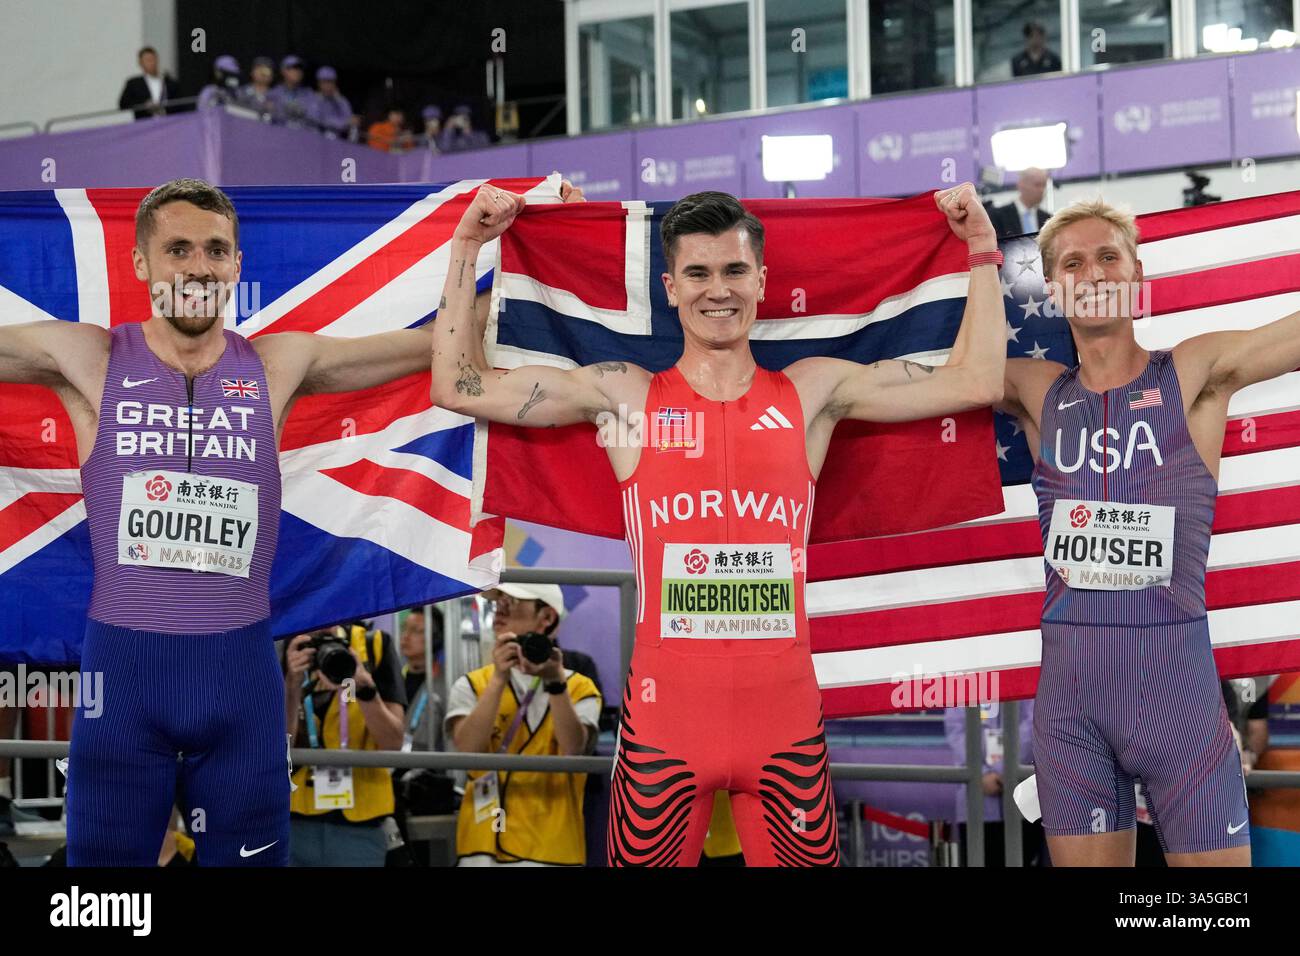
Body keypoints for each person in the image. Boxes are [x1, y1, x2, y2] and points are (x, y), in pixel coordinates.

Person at [431, 182, 1006, 866]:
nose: (718, 289)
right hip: (664, 727)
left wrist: (982, 251)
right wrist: (468, 245)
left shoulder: (814, 392)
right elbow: (457, 385)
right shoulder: (627, 397)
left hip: (784, 725)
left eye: (735, 270)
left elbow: (975, 382)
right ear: (671, 287)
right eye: (699, 273)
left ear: (762, 280)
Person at [0, 177, 452, 866]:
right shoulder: (89, 357)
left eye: (215, 250)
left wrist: (487, 243)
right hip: (122, 686)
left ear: (237, 265)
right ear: (141, 264)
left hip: (240, 687)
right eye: (177, 248)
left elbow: (430, 346)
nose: (197, 265)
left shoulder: (278, 364)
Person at [999, 198, 1300, 866]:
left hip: (1178, 696)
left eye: (1109, 256)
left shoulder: (1193, 372)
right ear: (1051, 288)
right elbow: (941, 378)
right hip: (1072, 707)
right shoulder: (1035, 389)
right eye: (1073, 262)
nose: (1094, 271)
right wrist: (968, 250)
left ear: (1137, 273)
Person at [445, 583, 602, 865]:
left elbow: (574, 750)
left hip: (551, 845)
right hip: (482, 846)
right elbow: (466, 752)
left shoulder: (579, 686)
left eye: (513, 602)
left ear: (546, 617)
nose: (500, 609)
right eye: (498, 602)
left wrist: (555, 683)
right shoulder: (471, 684)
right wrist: (498, 681)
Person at [284, 624, 407, 867]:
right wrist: (291, 686)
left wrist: (365, 690)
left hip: (361, 825)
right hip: (294, 821)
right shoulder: (290, 647)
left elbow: (393, 744)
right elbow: (279, 746)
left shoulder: (374, 646)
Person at [942, 703, 1042, 866]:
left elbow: (1035, 723)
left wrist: (1003, 769)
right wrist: (981, 773)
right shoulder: (964, 683)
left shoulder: (1026, 681)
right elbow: (956, 730)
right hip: (977, 803)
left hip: (1023, 802)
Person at [118, 46, 180, 120]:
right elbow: (123, 104)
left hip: (168, 124)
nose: (151, 63)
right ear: (141, 63)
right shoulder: (134, 84)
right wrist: (144, 105)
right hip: (146, 126)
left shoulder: (169, 82)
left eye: (153, 59)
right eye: (147, 60)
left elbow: (180, 104)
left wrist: (164, 109)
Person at [988, 168, 1050, 239]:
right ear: (1021, 185)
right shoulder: (997, 217)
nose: (1042, 190)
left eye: (1044, 185)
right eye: (1037, 185)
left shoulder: (1048, 219)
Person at [267, 55, 319, 127]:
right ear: (283, 71)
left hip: (304, 134)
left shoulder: (309, 93)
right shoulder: (273, 93)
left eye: (299, 68)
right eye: (293, 68)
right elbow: (273, 117)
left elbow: (314, 117)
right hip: (280, 134)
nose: (297, 72)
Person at [311, 66, 354, 137]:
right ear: (319, 83)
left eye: (330, 81)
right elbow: (317, 121)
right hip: (316, 137)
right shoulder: (313, 98)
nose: (328, 85)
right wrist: (342, 123)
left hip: (337, 140)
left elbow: (350, 122)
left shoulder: (341, 100)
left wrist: (338, 99)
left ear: (335, 83)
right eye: (324, 82)